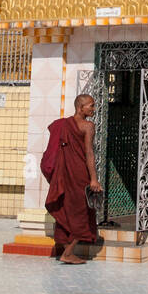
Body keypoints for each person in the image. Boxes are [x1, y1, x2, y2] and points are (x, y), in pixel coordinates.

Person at [40, 93, 102, 264]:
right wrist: (94, 179)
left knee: (69, 208)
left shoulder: (63, 124)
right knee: (82, 212)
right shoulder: (88, 126)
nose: (93, 109)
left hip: (66, 174)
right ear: (80, 107)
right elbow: (89, 153)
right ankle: (68, 252)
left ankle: (65, 246)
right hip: (79, 173)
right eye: (91, 105)